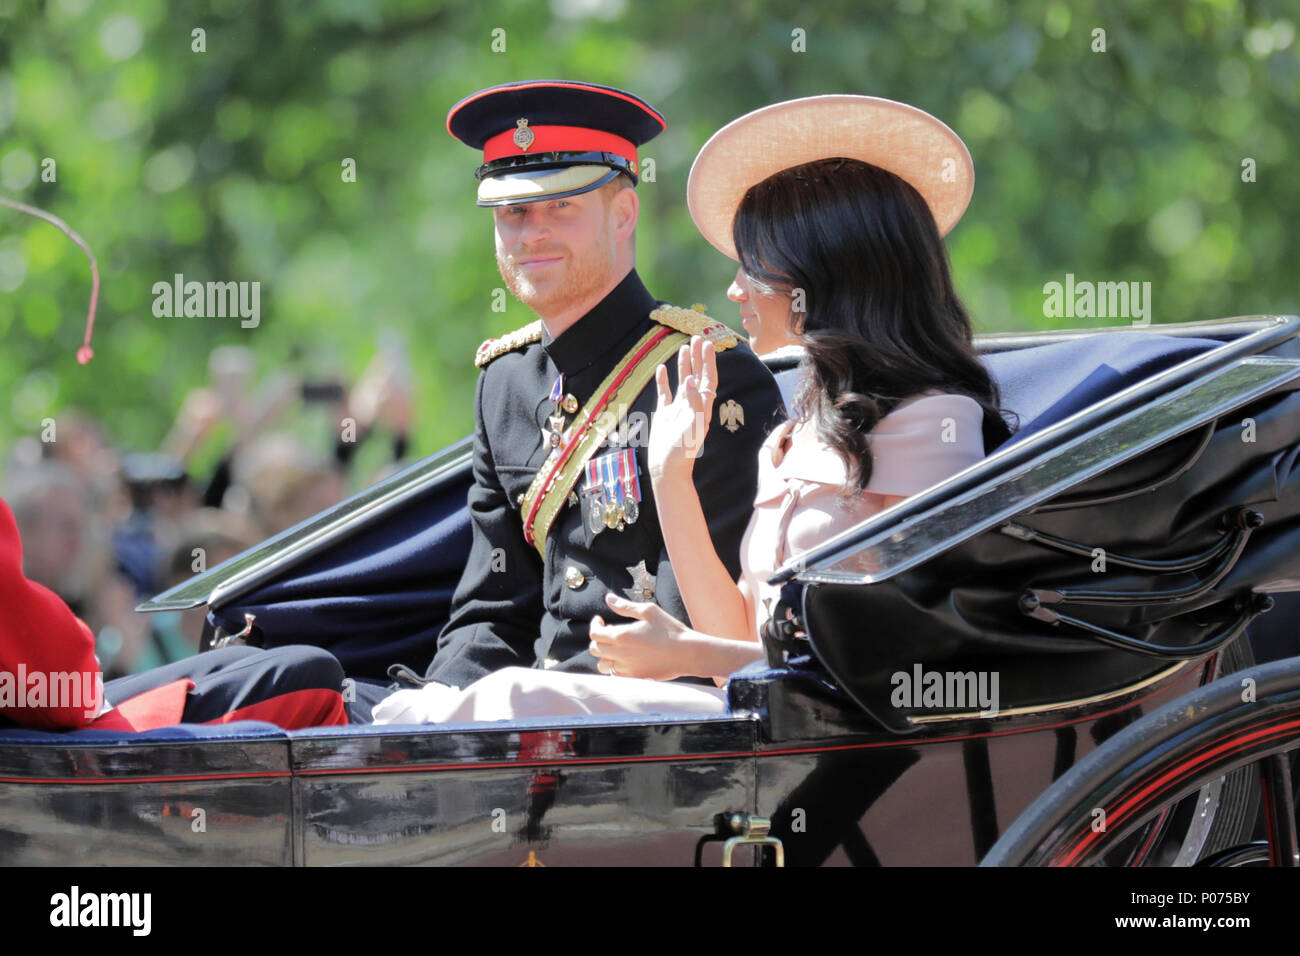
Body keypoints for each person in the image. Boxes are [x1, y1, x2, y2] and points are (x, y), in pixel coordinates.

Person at [371, 94, 1016, 724]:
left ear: (827, 275)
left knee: (508, 701)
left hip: (809, 733)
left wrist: (686, 653)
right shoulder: (792, 437)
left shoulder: (925, 423)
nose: (733, 288)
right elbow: (498, 607)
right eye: (511, 213)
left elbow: (893, 661)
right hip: (729, 705)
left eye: (756, 268)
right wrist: (666, 473)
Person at [348, 80, 786, 720]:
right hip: (537, 725)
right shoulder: (505, 383)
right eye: (513, 213)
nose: (531, 234)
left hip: (666, 715)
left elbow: (707, 628)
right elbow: (493, 607)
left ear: (624, 214)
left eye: (561, 208)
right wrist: (438, 704)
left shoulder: (710, 371)